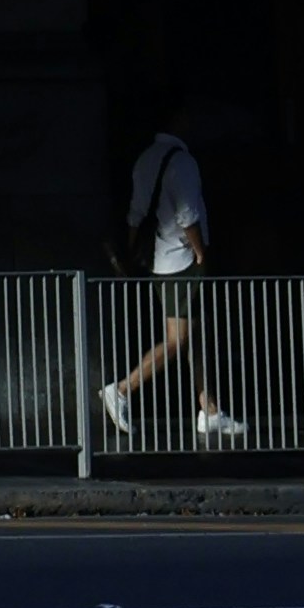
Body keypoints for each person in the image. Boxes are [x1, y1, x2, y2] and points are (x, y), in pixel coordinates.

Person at [101, 114, 245, 446]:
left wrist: (135, 249)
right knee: (178, 340)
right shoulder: (183, 162)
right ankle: (122, 389)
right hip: (182, 261)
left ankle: (209, 410)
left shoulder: (145, 159)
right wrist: (200, 253)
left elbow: (136, 214)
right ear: (180, 123)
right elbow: (187, 213)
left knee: (193, 338)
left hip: (159, 260)